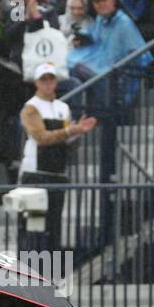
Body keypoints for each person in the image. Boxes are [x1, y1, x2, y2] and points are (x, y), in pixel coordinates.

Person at [17, 62, 95, 254]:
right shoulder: (30, 108)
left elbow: (64, 138)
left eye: (51, 79)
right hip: (35, 174)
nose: (48, 83)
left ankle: (50, 275)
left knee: (53, 226)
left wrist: (77, 133)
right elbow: (41, 138)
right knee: (32, 226)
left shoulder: (63, 108)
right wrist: (70, 130)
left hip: (57, 172)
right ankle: (26, 273)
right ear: (36, 82)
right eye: (44, 79)